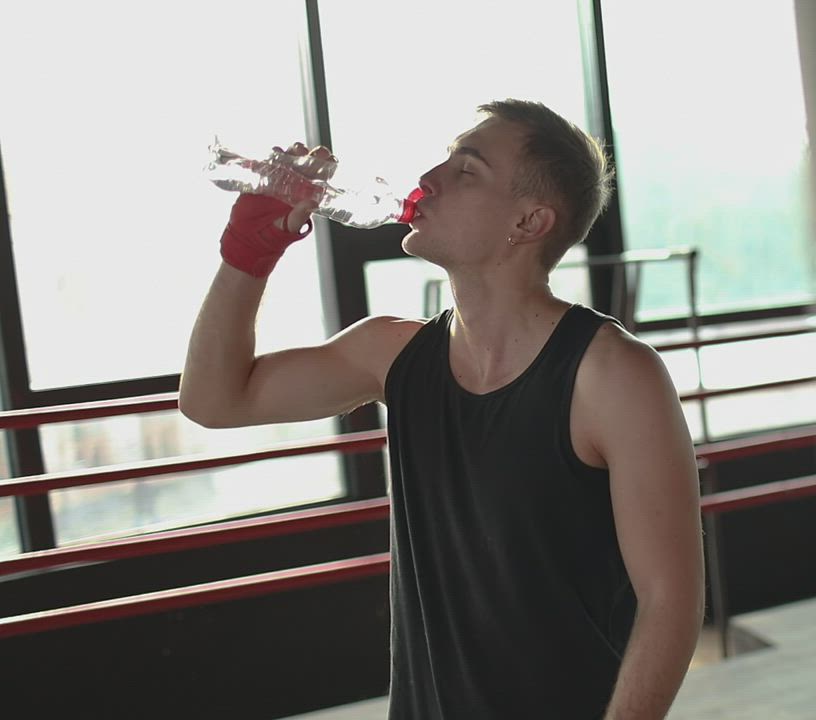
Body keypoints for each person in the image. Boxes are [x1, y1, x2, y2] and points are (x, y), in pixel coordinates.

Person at [179, 99, 705, 719]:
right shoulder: (389, 353)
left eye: (467, 171)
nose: (429, 178)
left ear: (529, 221)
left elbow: (671, 601)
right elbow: (213, 399)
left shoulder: (612, 374)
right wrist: (249, 252)